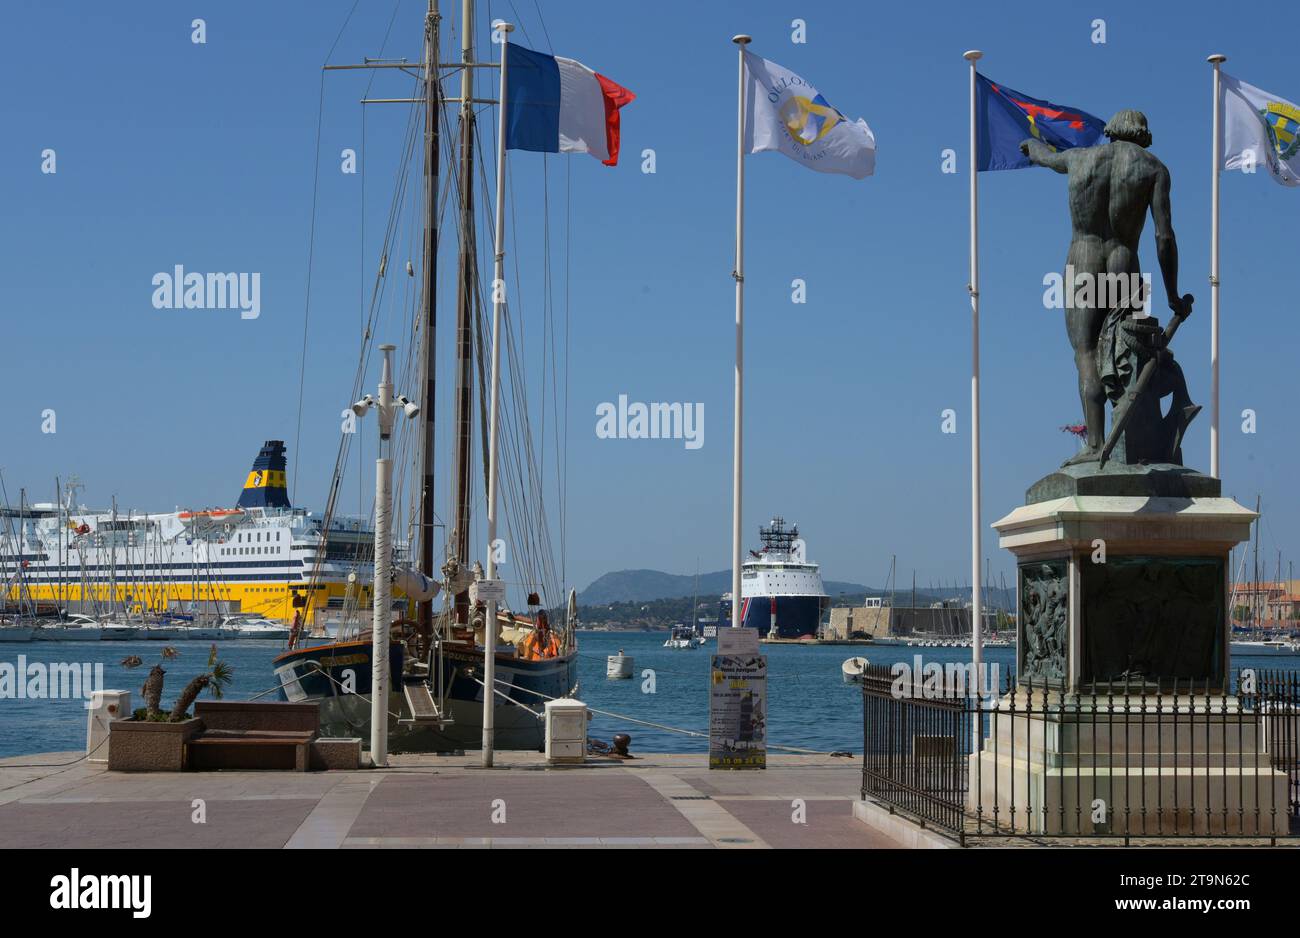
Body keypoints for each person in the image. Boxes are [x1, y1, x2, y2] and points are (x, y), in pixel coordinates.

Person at [1021, 110, 1197, 464]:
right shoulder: (1154, 168)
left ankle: (1096, 443)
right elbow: (1164, 237)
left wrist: (1031, 144)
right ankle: (1128, 446)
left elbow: (1045, 157)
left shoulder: (1079, 157)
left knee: (1086, 351)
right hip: (1123, 261)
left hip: (1083, 258)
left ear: (1113, 131)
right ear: (1143, 134)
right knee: (1129, 351)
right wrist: (1173, 294)